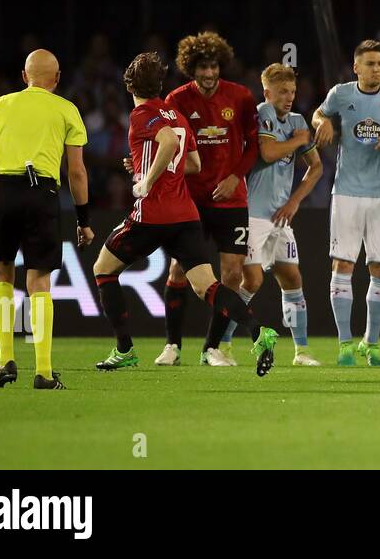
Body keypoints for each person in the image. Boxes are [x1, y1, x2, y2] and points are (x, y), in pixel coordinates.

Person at [95, 53, 278, 376]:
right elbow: (192, 164)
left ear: (129, 85)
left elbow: (165, 142)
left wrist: (147, 180)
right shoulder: (177, 114)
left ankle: (124, 349)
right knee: (206, 286)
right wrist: (142, 164)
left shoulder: (142, 113)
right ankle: (257, 330)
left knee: (103, 270)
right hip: (186, 215)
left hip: (151, 214)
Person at [0, 49, 91, 390]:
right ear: (56, 79)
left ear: (23, 76)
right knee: (39, 281)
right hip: (40, 193)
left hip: (0, 192)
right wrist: (83, 219)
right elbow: (76, 171)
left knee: (1, 272)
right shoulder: (66, 109)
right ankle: (43, 372)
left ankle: (4, 362)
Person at [153, 31, 259, 367]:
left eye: (214, 66)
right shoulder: (176, 100)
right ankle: (172, 346)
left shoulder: (241, 97)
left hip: (232, 201)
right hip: (191, 203)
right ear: (190, 68)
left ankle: (212, 348)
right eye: (202, 68)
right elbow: (163, 146)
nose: (209, 74)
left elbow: (254, 146)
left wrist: (234, 176)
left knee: (231, 276)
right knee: (178, 271)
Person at [311, 39, 380, 366]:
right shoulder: (341, 93)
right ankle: (344, 343)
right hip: (347, 192)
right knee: (343, 265)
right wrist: (322, 122)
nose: (376, 69)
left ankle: (371, 342)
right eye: (369, 64)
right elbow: (317, 115)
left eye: (379, 64)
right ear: (356, 67)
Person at [236, 64, 324, 366]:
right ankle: (219, 344)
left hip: (280, 216)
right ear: (267, 92)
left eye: (292, 92)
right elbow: (268, 153)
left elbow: (317, 167)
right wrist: (299, 140)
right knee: (251, 281)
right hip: (252, 215)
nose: (289, 97)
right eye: (283, 92)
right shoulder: (262, 114)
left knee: (291, 276)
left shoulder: (298, 120)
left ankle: (301, 351)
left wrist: (295, 201)